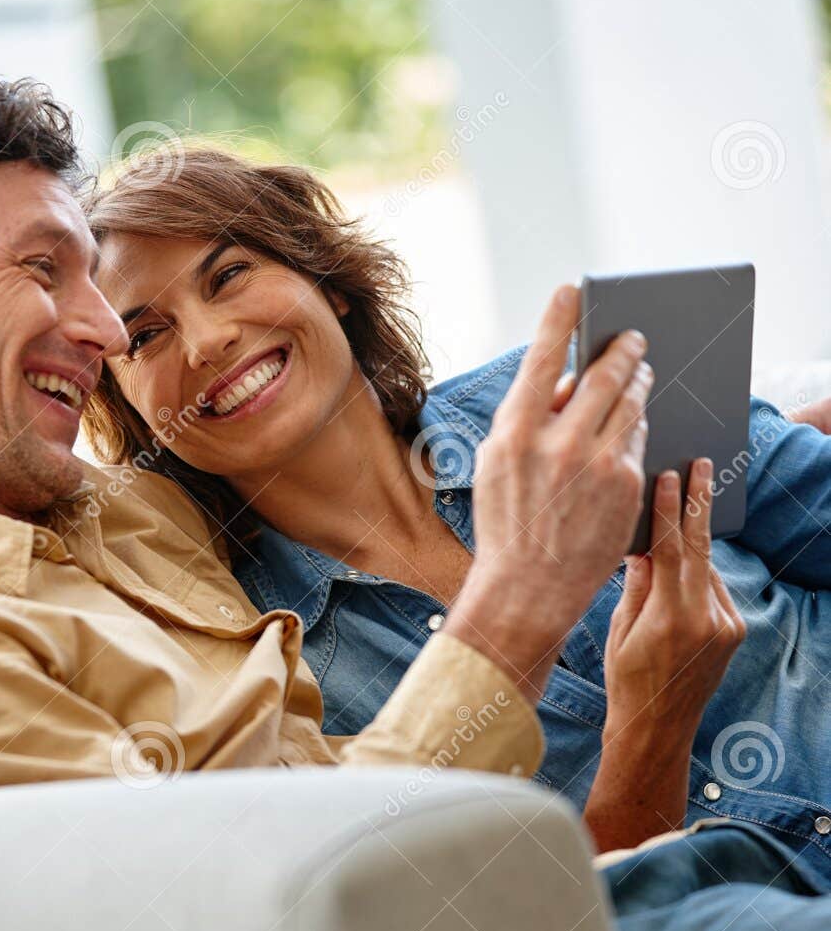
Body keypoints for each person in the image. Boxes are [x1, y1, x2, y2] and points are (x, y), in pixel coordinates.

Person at [0, 64, 649, 812]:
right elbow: (299, 908)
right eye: (41, 269)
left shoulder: (116, 510)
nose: (108, 336)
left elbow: (336, 432)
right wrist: (524, 594)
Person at [85, 146, 831, 875]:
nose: (209, 340)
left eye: (230, 274)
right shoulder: (280, 685)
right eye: (145, 336)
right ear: (130, 409)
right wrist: (652, 729)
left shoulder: (566, 396)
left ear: (327, 281)